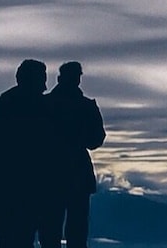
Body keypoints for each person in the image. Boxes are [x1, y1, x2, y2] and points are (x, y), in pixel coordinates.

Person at [0, 59, 53, 248]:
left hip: (4, 187)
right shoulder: (49, 110)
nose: (45, 86)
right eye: (42, 80)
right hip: (35, 186)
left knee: (8, 238)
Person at [39, 61, 105, 248]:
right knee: (77, 229)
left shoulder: (44, 104)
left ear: (60, 79)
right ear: (78, 80)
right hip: (76, 173)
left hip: (49, 173)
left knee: (50, 228)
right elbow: (96, 139)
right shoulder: (86, 106)